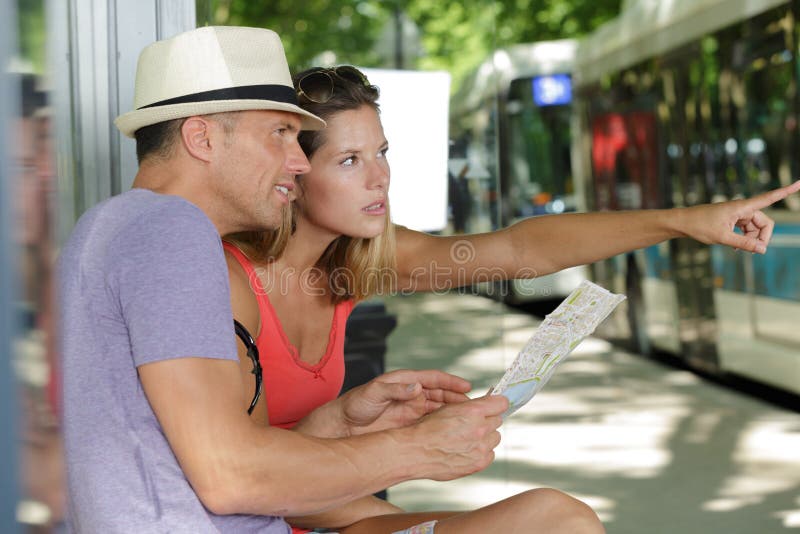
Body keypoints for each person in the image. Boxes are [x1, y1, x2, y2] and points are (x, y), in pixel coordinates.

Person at [222, 65, 800, 533]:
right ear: (293, 175)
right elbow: (245, 480)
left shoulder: (351, 264)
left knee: (559, 519)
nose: (380, 178)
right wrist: (403, 457)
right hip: (272, 518)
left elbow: (519, 250)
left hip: (330, 513)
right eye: (350, 161)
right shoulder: (230, 281)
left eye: (382, 152)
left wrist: (688, 222)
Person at [61, 26, 591, 534]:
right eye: (280, 134)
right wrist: (418, 449)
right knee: (554, 520)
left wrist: (336, 424)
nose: (297, 162)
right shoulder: (172, 230)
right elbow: (231, 476)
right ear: (201, 138)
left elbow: (201, 455)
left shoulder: (108, 230)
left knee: (549, 517)